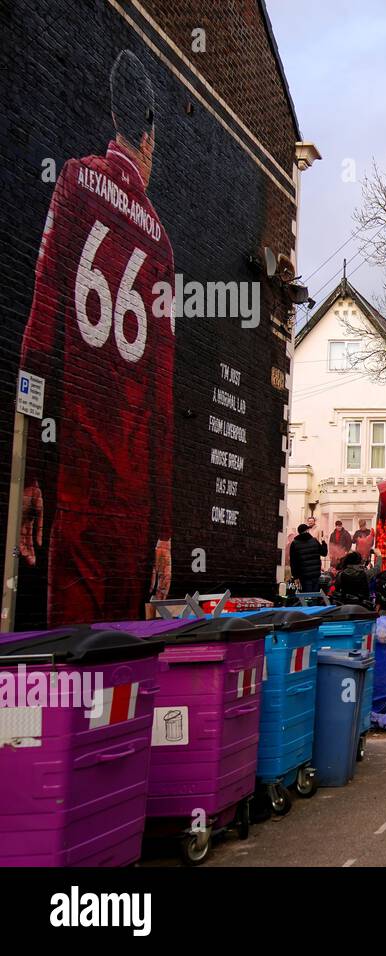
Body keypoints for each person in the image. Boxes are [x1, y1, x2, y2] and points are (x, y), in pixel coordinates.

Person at [19, 50, 177, 626]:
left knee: (70, 660)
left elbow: (40, 334)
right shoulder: (159, 242)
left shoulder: (75, 181)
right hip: (133, 507)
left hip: (78, 485)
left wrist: (29, 468)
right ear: (149, 134)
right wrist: (162, 530)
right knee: (121, 670)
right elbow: (162, 399)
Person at [289, 524, 326, 592]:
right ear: (307, 530)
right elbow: (324, 553)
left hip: (303, 575)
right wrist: (323, 542)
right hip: (316, 574)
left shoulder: (294, 544)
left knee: (307, 596)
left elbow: (293, 562)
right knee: (315, 595)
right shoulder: (314, 541)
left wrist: (295, 576)